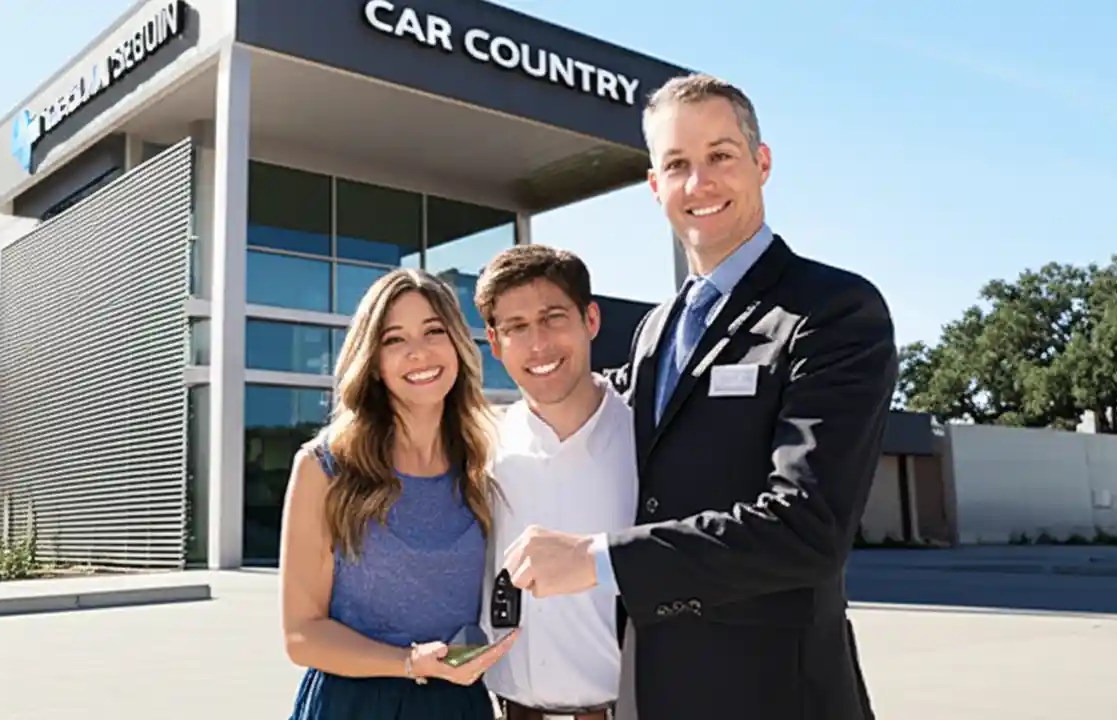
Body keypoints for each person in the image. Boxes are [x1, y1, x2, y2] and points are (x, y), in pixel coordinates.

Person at [500, 73, 898, 720]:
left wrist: (597, 560)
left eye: (720, 156)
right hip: (653, 690)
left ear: (761, 163)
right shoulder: (658, 329)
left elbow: (808, 527)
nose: (699, 183)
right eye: (677, 165)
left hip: (774, 694)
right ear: (655, 186)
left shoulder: (831, 312)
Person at [279, 268, 519, 720]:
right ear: (372, 360)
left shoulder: (484, 463)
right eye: (394, 340)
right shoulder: (324, 468)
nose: (419, 353)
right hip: (355, 705)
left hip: (458, 704)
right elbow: (301, 635)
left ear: (457, 344)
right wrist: (407, 663)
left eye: (434, 331)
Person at [472, 246, 637, 720]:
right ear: (495, 341)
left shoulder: (647, 441)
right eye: (516, 327)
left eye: (553, 317)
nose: (538, 344)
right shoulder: (481, 448)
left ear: (591, 319)